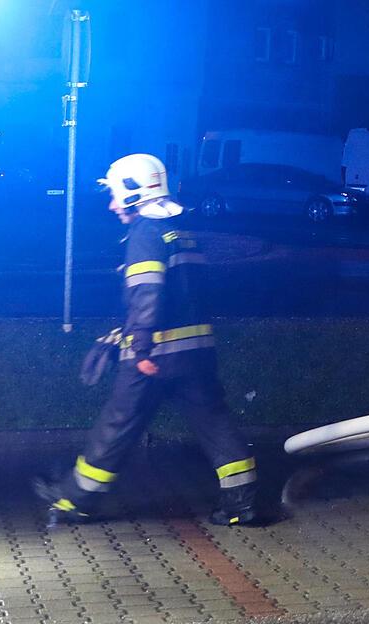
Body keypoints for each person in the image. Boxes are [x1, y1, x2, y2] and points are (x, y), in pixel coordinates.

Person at [34, 154, 258, 527]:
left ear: (135, 193)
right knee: (215, 424)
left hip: (154, 356)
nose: (112, 204)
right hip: (197, 354)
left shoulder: (145, 235)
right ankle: (241, 504)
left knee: (117, 425)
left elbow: (147, 293)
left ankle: (75, 500)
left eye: (117, 195)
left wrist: (139, 349)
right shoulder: (180, 232)